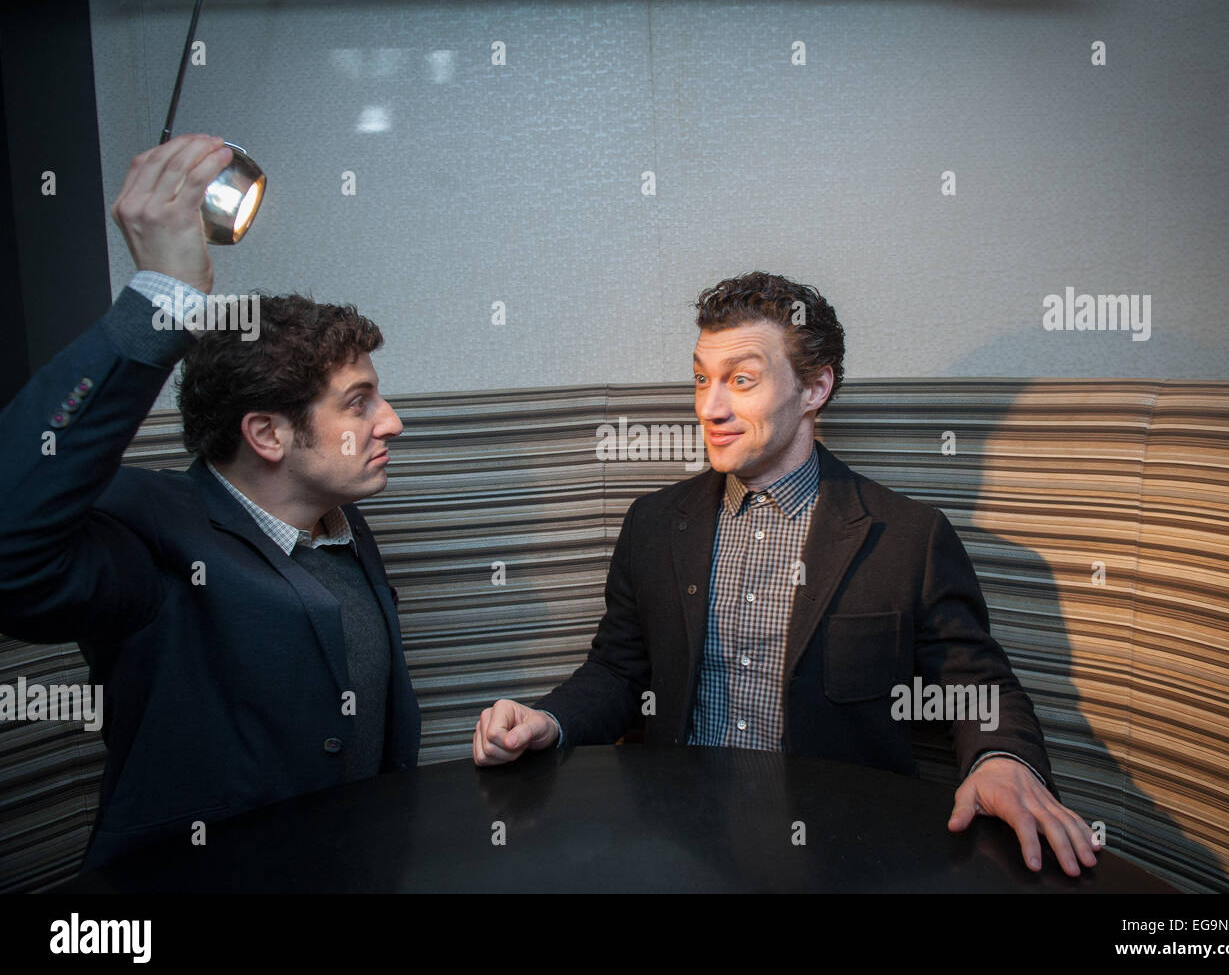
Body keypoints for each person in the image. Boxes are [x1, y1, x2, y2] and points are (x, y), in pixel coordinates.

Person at [473, 271, 1099, 877]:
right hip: (679, 846)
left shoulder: (909, 537)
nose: (710, 407)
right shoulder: (654, 523)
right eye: (701, 379)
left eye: (741, 380)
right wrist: (547, 721)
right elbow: (616, 671)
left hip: (843, 855)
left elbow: (978, 685)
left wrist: (1000, 759)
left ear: (814, 389)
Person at [0, 135, 421, 870]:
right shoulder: (150, 534)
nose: (390, 422)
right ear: (266, 433)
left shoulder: (336, 517)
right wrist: (161, 299)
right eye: (359, 403)